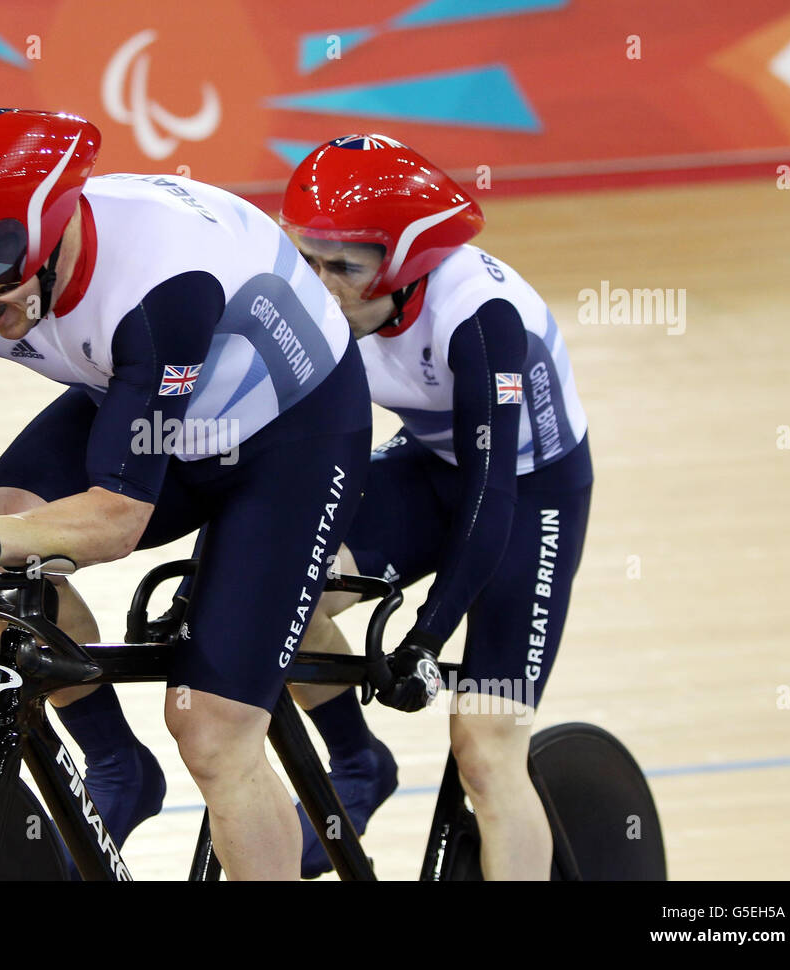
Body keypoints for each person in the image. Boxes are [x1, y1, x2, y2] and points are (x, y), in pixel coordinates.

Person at [0, 108, 373, 880]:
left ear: (48, 225)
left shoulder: (162, 281)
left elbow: (119, 519)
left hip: (290, 439)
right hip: (149, 397)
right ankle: (115, 761)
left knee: (216, 734)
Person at [278, 134, 593, 879]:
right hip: (430, 463)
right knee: (287, 592)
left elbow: (492, 497)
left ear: (406, 263)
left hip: (528, 493)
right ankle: (358, 762)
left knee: (485, 750)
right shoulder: (319, 296)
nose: (321, 285)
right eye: (308, 257)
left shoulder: (482, 318)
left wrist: (425, 637)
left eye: (345, 267)